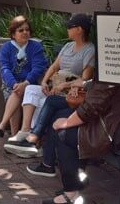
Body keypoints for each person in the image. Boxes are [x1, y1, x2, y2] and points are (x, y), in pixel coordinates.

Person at [38, 81, 120, 204]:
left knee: (63, 133)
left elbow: (93, 105)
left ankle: (70, 194)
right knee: (73, 127)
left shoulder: (110, 65)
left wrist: (66, 123)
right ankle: (77, 182)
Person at [6, 13, 96, 159]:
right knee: (31, 89)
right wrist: (44, 82)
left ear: (79, 29)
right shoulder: (68, 46)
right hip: (55, 87)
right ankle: (25, 131)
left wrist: (65, 85)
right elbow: (54, 66)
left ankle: (34, 143)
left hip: (68, 93)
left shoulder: (89, 50)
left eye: (70, 26)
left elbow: (85, 78)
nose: (67, 29)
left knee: (43, 102)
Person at [0, 16, 49, 138]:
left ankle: (3, 126)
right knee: (16, 92)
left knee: (17, 92)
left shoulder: (35, 47)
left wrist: (25, 83)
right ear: (13, 34)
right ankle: (14, 134)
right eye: (21, 30)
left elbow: (38, 67)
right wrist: (14, 84)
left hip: (31, 82)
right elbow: (4, 68)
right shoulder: (6, 48)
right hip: (11, 83)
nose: (25, 32)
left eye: (27, 30)